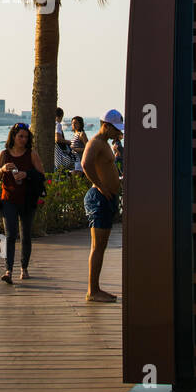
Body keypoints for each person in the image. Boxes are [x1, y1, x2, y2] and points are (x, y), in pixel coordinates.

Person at [0, 122, 44, 284]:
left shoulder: (31, 154)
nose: (23, 139)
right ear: (13, 137)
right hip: (8, 199)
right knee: (10, 235)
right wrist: (2, 170)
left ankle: (24, 267)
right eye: (20, 136)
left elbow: (41, 175)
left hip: (28, 199)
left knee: (26, 235)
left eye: (26, 137)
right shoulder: (4, 154)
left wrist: (26, 174)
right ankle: (8, 271)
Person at [81, 109, 124, 302]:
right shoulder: (96, 142)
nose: (118, 133)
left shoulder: (104, 143)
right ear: (105, 126)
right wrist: (100, 186)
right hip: (99, 198)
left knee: (101, 246)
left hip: (106, 198)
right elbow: (85, 163)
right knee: (98, 246)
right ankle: (93, 291)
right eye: (116, 129)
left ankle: (95, 289)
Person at [54, 106, 74, 170]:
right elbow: (58, 139)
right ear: (61, 116)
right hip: (59, 152)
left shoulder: (51, 124)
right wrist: (70, 142)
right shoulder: (58, 124)